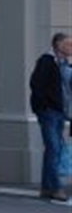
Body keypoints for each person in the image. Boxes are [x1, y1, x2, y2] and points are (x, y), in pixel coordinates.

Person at [29, 32, 72, 202]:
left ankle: (47, 187)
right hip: (49, 112)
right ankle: (55, 188)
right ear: (58, 45)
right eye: (68, 44)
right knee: (54, 148)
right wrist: (44, 105)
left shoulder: (64, 64)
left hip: (60, 111)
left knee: (53, 150)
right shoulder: (46, 61)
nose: (71, 47)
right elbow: (36, 84)